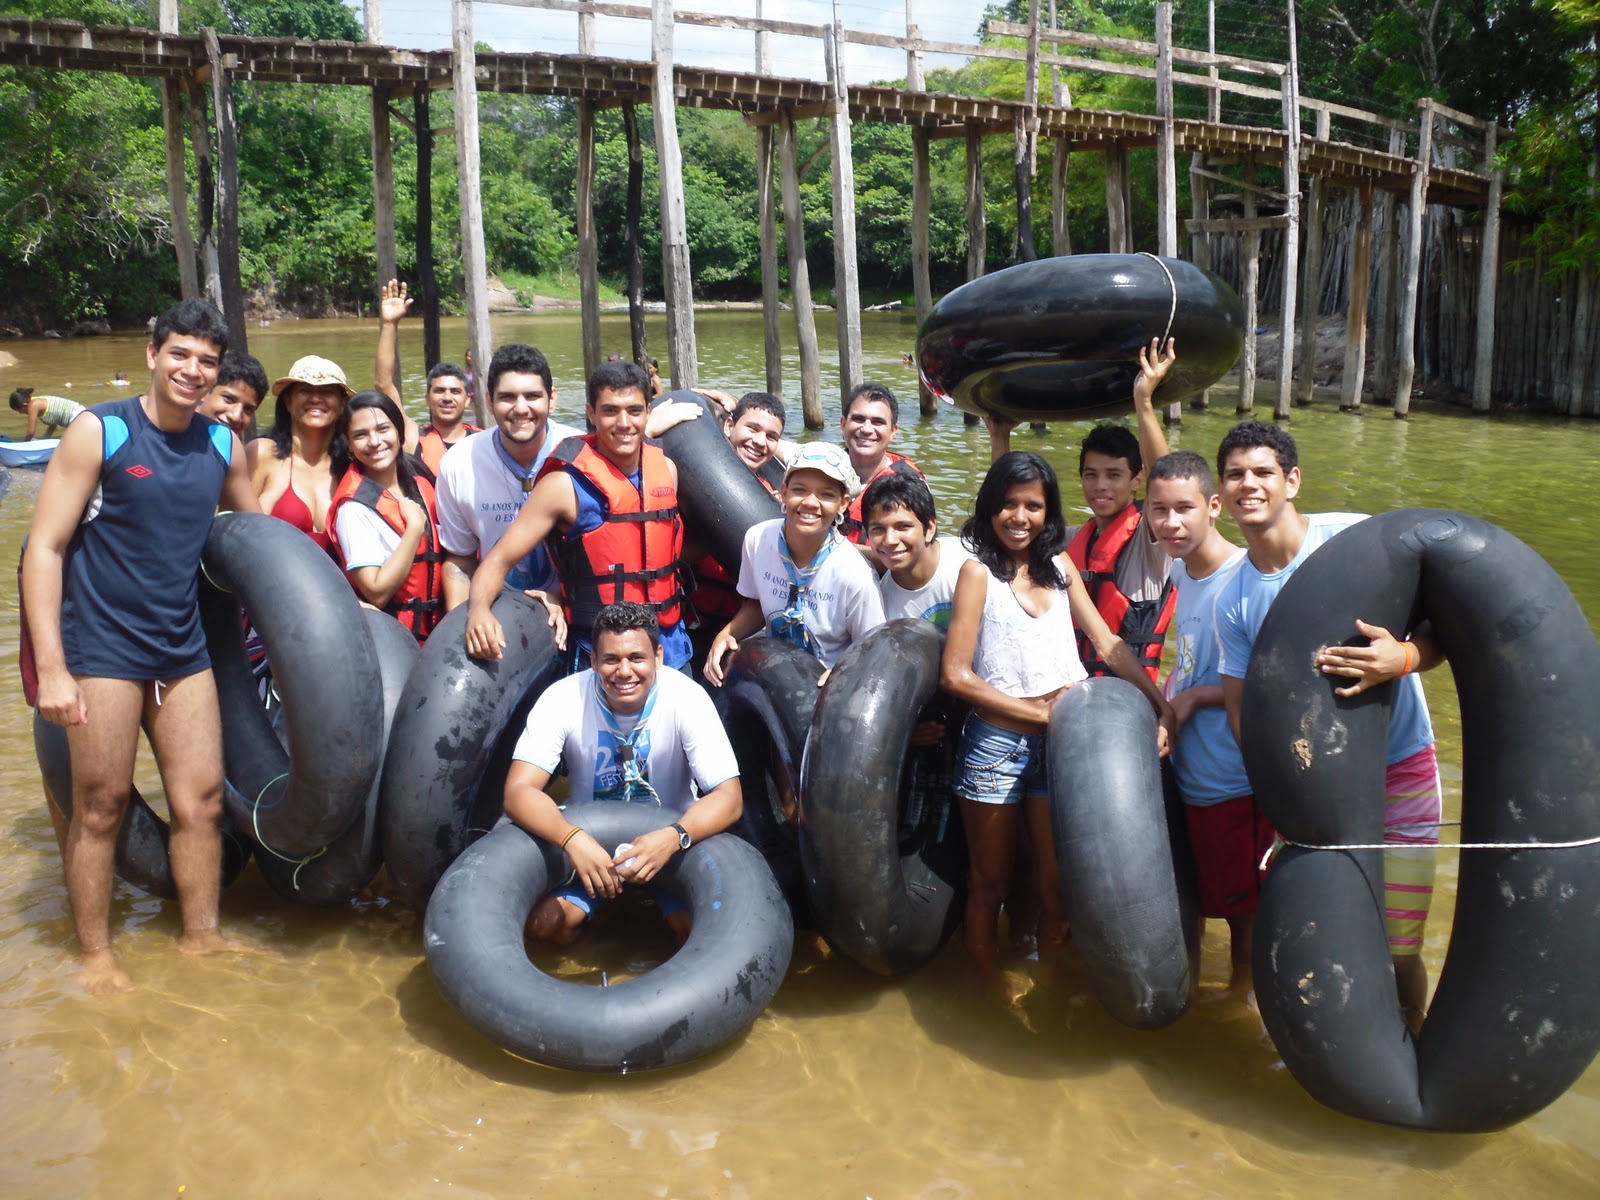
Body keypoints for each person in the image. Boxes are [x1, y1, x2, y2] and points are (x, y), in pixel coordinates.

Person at [20, 298, 261, 993]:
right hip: (101, 650)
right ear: (154, 355)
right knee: (100, 808)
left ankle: (203, 936)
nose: (192, 370)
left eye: (206, 361)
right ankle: (95, 957)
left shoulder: (222, 445)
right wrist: (54, 669)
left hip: (182, 650)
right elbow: (45, 548)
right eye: (179, 354)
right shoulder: (102, 431)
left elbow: (259, 541)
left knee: (203, 803)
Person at [1214, 420, 1442, 1032]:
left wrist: (1406, 657)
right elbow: (1241, 711)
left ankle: (1410, 1042)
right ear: (1222, 490)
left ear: (1292, 481)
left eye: (1262, 472)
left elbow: (1447, 624)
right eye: (1235, 474)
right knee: (1335, 926)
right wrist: (1284, 786)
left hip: (1400, 764)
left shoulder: (1356, 540)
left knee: (1400, 941)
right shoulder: (1235, 597)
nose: (1249, 485)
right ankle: (1347, 1048)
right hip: (1315, 790)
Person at [938, 451, 1175, 977]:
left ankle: (1045, 987)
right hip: (997, 746)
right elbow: (955, 675)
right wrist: (1043, 717)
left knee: (1057, 881)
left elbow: (1108, 644)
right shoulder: (977, 573)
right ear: (989, 509)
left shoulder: (1060, 566)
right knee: (990, 882)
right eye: (1007, 505)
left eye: (1032, 506)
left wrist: (1162, 707)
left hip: (1062, 745)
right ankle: (985, 995)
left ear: (1049, 512)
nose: (1019, 517)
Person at [503, 602, 742, 944]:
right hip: (590, 844)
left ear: (658, 656)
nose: (624, 671)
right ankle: (598, 940)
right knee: (544, 926)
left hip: (669, 845)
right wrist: (572, 839)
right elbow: (517, 791)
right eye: (611, 660)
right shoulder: (562, 698)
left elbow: (729, 799)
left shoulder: (688, 698)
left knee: (699, 935)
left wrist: (674, 836)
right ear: (594, 661)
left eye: (637, 658)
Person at [466, 360, 692, 669]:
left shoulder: (666, 470)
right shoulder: (562, 486)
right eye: (610, 411)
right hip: (599, 653)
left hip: (670, 646)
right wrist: (479, 611)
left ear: (648, 413)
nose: (624, 423)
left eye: (634, 411)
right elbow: (498, 561)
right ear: (591, 413)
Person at [1145, 450, 1258, 996]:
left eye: (1185, 509)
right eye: (1159, 510)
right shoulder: (1179, 568)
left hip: (1232, 777)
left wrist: (1190, 702)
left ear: (1214, 507)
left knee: (1244, 912)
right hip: (1191, 769)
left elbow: (1268, 684)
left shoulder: (1244, 578)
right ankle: (1200, 993)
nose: (1171, 522)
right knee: (1195, 893)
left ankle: (1242, 1002)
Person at [703, 440, 885, 687]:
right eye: (800, 490)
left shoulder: (855, 574)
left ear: (843, 503)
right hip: (772, 675)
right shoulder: (758, 540)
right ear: (784, 490)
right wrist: (726, 634)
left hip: (826, 687)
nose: (810, 502)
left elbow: (873, 649)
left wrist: (846, 672)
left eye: (826, 495)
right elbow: (758, 604)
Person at [1064, 338, 1179, 682]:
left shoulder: (1150, 536)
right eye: (1091, 475)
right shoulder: (1074, 539)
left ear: (1136, 480)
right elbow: (1012, 516)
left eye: (1114, 475)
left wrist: (1143, 401)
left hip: (1131, 694)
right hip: (1073, 686)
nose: (1101, 485)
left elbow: (1167, 480)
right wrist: (1000, 436)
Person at [435, 343, 582, 612]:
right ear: (489, 402)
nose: (521, 408)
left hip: (576, 607)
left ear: (552, 399)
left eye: (532, 396)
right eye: (507, 397)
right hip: (500, 609)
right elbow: (460, 557)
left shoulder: (581, 453)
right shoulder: (459, 463)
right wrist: (459, 627)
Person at [327, 391, 444, 642]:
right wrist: (414, 529)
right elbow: (377, 592)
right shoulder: (354, 508)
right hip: (396, 641)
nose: (374, 441)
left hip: (439, 633)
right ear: (349, 444)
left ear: (399, 432)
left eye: (383, 429)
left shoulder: (418, 475)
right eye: (361, 435)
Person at [247, 355, 353, 556]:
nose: (315, 398)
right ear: (287, 401)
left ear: (342, 405)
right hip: (269, 583)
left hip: (341, 586)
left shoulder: (352, 464)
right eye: (305, 390)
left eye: (327, 392)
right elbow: (231, 528)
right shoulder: (262, 453)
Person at [373, 279, 473, 475]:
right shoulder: (414, 438)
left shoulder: (484, 440)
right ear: (427, 398)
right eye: (439, 391)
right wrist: (389, 324)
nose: (447, 397)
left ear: (468, 399)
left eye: (455, 391)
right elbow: (383, 384)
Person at [862, 472, 970, 629]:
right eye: (878, 529)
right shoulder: (881, 604)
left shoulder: (969, 558)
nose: (890, 540)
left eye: (903, 527)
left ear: (930, 529)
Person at [837, 382, 924, 544]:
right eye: (858, 419)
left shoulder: (909, 482)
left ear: (893, 431)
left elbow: (916, 551)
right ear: (843, 424)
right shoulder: (824, 469)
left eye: (878, 422)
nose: (866, 429)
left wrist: (837, 550)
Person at [198, 350, 268, 438]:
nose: (236, 417)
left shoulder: (234, 449)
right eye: (229, 399)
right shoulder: (176, 439)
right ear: (204, 391)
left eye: (248, 409)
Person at [9, 387, 86, 440]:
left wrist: (24, 444)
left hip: (78, 417)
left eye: (19, 411)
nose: (20, 413)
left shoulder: (34, 405)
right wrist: (44, 439)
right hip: (81, 416)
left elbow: (31, 433)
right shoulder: (37, 405)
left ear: (25, 405)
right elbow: (53, 426)